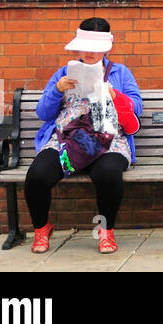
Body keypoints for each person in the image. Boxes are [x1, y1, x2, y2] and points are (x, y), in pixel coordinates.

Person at [26, 17, 142, 254]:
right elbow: (43, 113)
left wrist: (115, 95)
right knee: (37, 175)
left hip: (108, 140)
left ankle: (106, 231)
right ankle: (41, 228)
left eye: (95, 48)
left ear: (107, 48)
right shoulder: (64, 73)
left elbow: (137, 109)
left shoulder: (120, 72)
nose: (89, 53)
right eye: (85, 47)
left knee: (108, 173)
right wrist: (57, 91)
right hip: (66, 141)